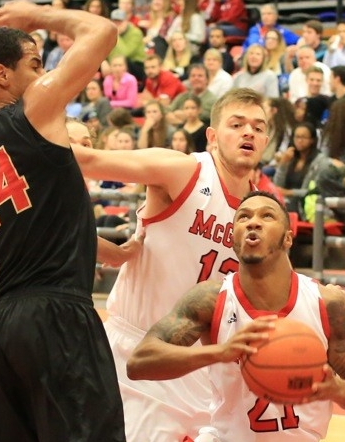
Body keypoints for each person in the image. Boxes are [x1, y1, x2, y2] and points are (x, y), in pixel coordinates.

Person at [0, 3, 128, 440]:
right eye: (34, 63)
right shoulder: (31, 111)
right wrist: (38, 16)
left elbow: (40, 218)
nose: (42, 73)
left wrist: (120, 253)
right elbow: (102, 31)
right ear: (2, 76)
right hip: (56, 317)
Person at [70, 87, 270, 441]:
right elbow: (91, 161)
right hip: (138, 355)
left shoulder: (261, 211)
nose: (248, 133)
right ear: (212, 136)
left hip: (206, 367)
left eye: (258, 127)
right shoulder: (183, 170)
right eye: (237, 124)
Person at [126, 191, 345, 441]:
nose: (253, 222)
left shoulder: (328, 304)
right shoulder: (210, 300)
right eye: (243, 217)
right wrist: (220, 352)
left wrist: (339, 389)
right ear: (233, 238)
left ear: (288, 238)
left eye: (267, 216)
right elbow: (139, 362)